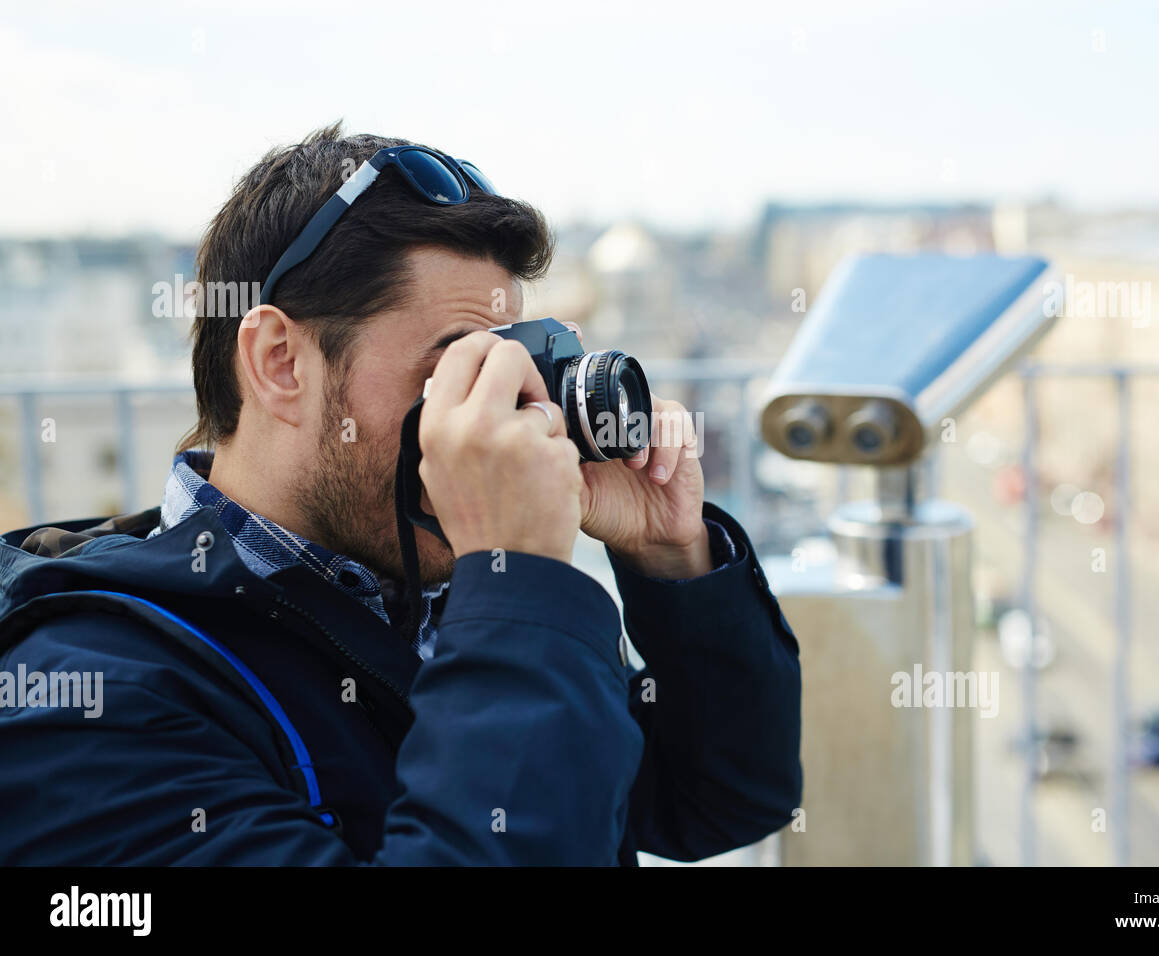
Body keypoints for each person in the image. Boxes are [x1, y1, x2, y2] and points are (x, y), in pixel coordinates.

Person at [0, 124, 802, 865]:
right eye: (459, 368)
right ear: (281, 363)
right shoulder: (87, 700)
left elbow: (722, 797)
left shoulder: (428, 596)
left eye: (507, 366)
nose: (497, 416)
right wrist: (520, 579)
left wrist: (673, 562)